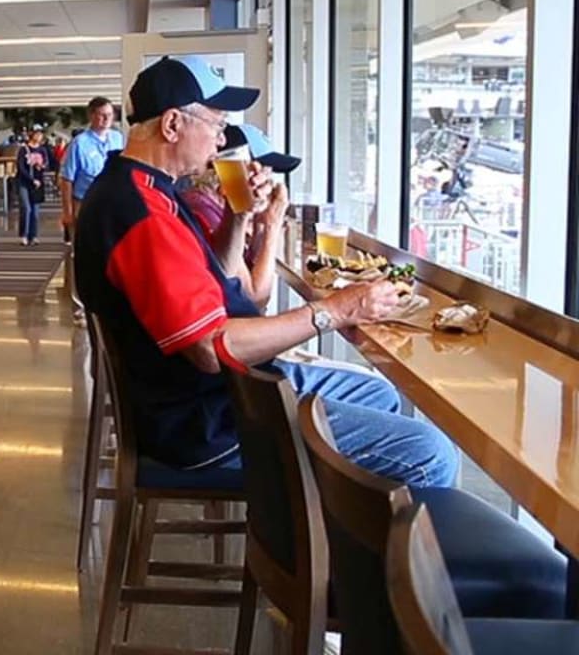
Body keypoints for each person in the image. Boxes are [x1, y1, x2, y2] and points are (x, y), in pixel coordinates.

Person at [74, 55, 457, 487]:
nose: (221, 141)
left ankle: (322, 533)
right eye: (216, 125)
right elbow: (210, 348)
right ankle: (329, 543)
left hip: (216, 396)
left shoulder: (143, 190)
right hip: (211, 424)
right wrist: (335, 310)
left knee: (377, 394)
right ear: (172, 125)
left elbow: (219, 277)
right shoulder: (141, 214)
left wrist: (240, 215)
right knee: (430, 453)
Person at [180, 124, 300, 306]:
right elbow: (255, 298)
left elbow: (252, 272)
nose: (268, 179)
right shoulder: (202, 211)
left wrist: (260, 226)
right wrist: (272, 226)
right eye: (263, 169)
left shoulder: (217, 206)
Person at [62, 96, 125, 238]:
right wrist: (68, 213)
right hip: (85, 203)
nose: (106, 119)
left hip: (111, 204)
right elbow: (67, 180)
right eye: (102, 115)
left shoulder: (118, 139)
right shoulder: (79, 143)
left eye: (109, 114)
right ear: (91, 116)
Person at [15, 129, 50, 246]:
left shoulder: (42, 150)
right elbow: (20, 167)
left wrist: (42, 166)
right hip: (24, 182)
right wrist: (31, 179)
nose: (39, 137)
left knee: (35, 211)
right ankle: (24, 235)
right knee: (26, 208)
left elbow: (46, 163)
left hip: (38, 182)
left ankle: (33, 235)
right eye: (37, 134)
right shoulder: (23, 149)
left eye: (41, 135)